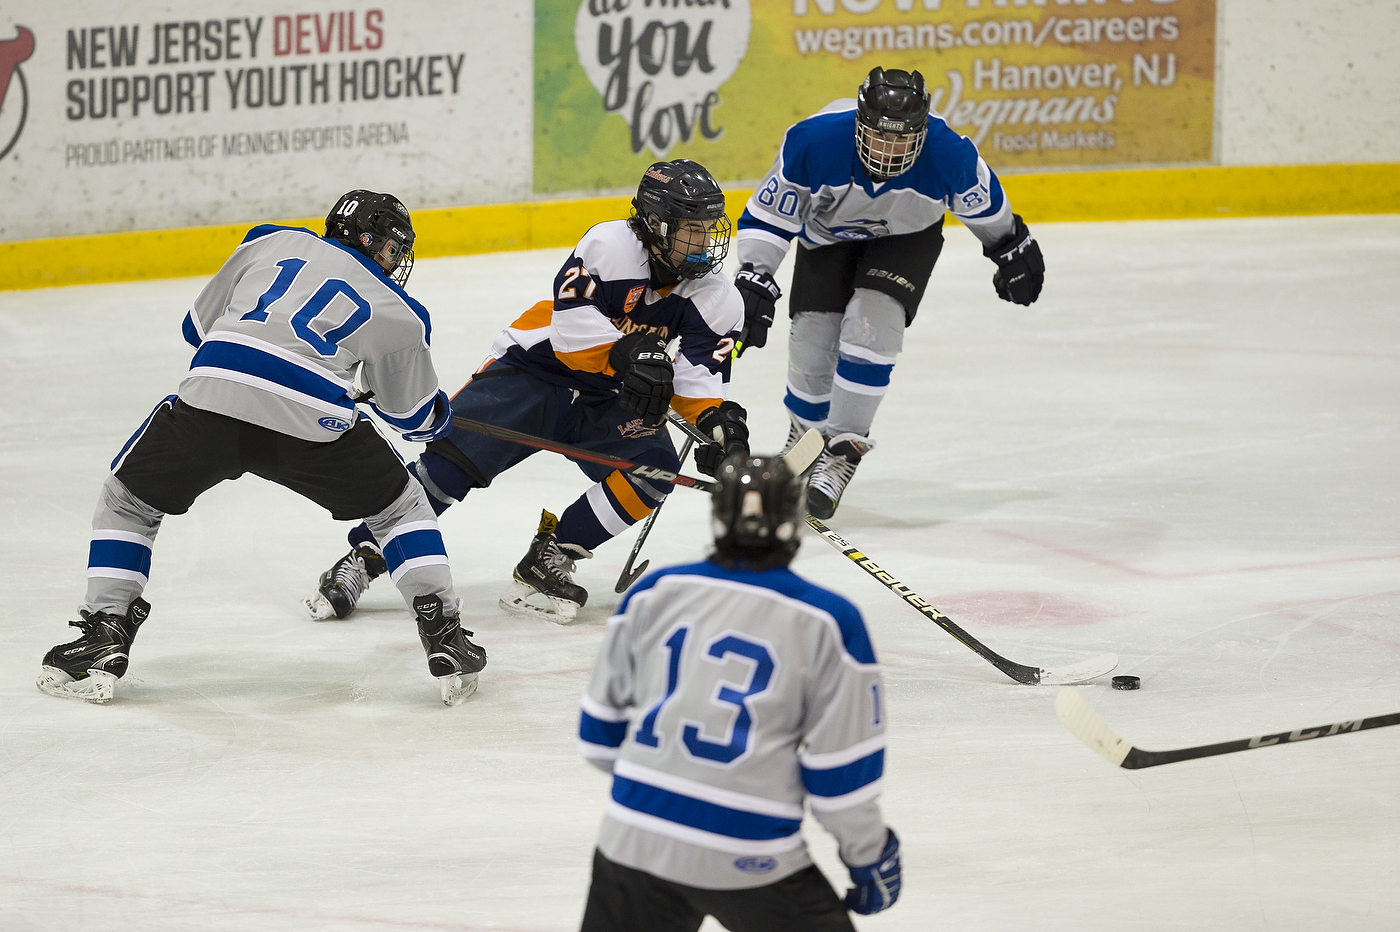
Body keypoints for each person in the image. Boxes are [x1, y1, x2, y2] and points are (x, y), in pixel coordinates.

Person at [36, 191, 486, 707]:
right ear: (375, 243)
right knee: (401, 508)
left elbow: (196, 329)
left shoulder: (268, 241)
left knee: (128, 501)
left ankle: (102, 637)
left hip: (212, 399)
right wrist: (436, 413)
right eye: (392, 247)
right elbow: (412, 418)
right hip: (308, 421)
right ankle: (445, 639)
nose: (395, 259)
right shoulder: (401, 312)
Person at [306, 160, 751, 625]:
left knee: (654, 469)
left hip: (605, 397)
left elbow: (698, 379)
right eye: (692, 230)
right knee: (447, 468)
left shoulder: (717, 295)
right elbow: (571, 333)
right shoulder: (611, 247)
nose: (706, 241)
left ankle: (552, 556)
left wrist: (718, 426)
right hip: (533, 372)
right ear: (658, 225)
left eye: (707, 229)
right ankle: (365, 555)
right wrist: (631, 354)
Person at [575, 454, 901, 931]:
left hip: (633, 840)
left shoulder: (654, 593)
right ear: (791, 519)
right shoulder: (828, 620)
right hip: (750, 853)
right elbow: (839, 783)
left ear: (719, 517)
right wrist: (870, 857)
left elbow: (598, 740)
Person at [734, 66, 1046, 518]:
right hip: (828, 239)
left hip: (907, 238)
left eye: (903, 140)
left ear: (921, 134)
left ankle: (841, 452)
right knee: (813, 339)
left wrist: (1009, 246)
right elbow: (770, 217)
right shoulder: (813, 141)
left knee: (872, 325)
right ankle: (805, 436)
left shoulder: (949, 154)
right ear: (860, 125)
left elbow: (987, 208)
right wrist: (756, 275)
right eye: (880, 136)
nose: (889, 149)